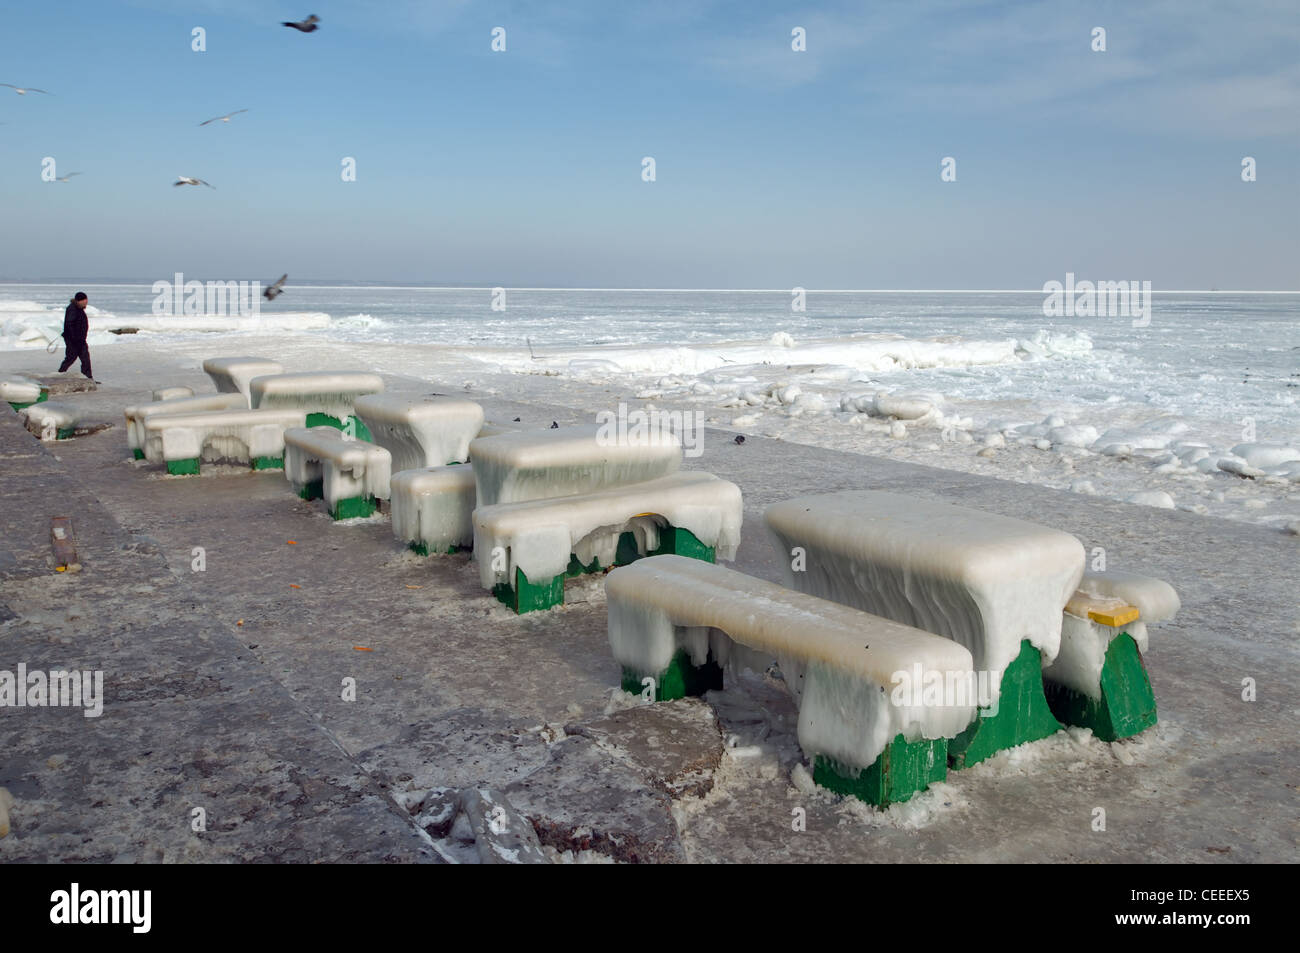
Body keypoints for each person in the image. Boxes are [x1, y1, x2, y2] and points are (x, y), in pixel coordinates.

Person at [58, 292, 96, 381]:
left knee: (85, 359)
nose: (86, 302)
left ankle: (88, 379)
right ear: (80, 300)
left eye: (86, 300)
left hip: (80, 340)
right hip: (73, 340)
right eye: (84, 300)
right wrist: (74, 339)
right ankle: (59, 375)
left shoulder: (79, 308)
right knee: (70, 358)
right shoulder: (72, 309)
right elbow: (69, 324)